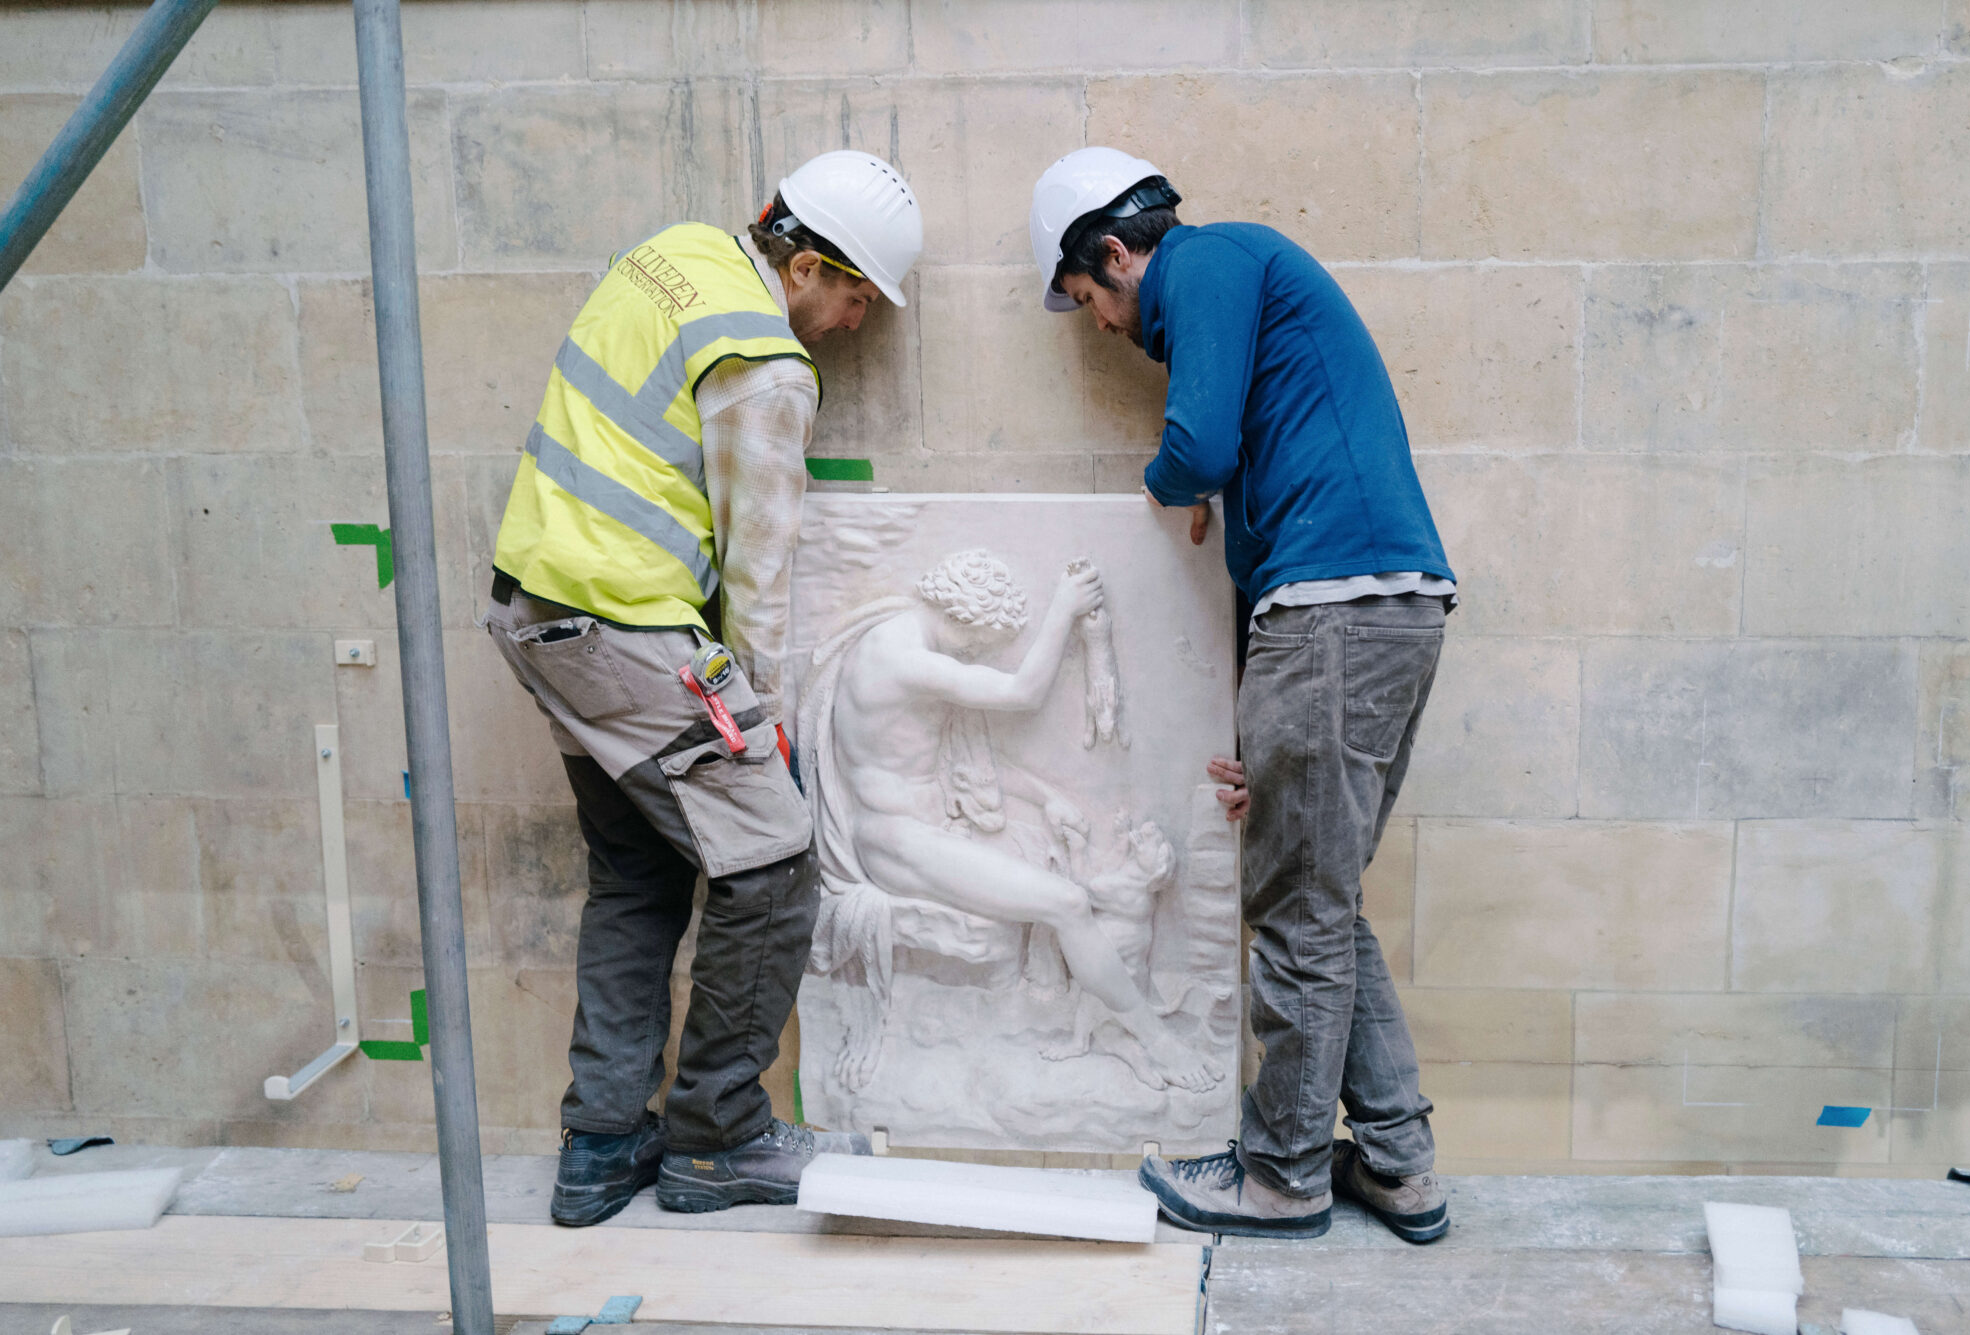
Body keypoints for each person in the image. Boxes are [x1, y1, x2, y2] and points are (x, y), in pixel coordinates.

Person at [485, 150, 923, 1226]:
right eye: (855, 295)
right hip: (626, 624)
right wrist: (759, 723)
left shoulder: (670, 258)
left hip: (537, 610)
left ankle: (600, 1145)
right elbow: (760, 574)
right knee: (773, 863)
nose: (855, 322)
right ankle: (721, 1138)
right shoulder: (765, 365)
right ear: (808, 265)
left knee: (636, 874)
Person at [1027, 147, 1456, 1243]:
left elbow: (1195, 444)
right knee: (1324, 901)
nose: (1100, 329)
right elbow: (1243, 490)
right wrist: (1248, 729)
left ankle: (1279, 1177)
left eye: (1086, 300)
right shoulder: (1246, 296)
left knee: (1300, 916)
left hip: (1333, 617)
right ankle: (1399, 1165)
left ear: (1117, 254)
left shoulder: (1211, 261)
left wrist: (1170, 482)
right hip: (1359, 617)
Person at [795, 550, 1224, 1095]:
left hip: (932, 829)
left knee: (1051, 859)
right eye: (978, 645)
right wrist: (1064, 609)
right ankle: (1157, 1041)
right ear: (963, 618)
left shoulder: (901, 639)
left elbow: (957, 765)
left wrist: (1046, 797)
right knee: (1067, 902)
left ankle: (1105, 1023)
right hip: (898, 842)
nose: (976, 655)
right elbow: (1022, 693)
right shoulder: (901, 658)